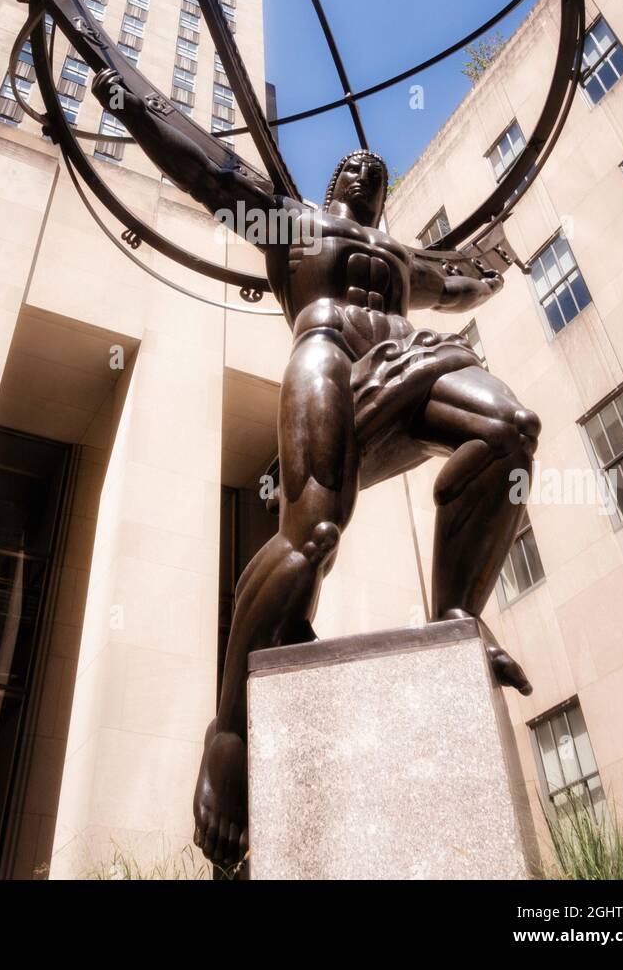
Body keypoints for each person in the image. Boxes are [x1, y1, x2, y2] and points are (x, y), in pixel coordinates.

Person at [92, 70, 539, 869]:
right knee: (314, 530)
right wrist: (128, 100)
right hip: (327, 351)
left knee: (510, 428)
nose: (364, 166)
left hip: (408, 362)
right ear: (331, 183)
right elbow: (208, 169)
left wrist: (501, 260)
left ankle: (457, 620)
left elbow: (467, 278)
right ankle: (229, 736)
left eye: (378, 167)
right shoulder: (289, 223)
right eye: (350, 164)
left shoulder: (405, 259)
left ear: (383, 193)